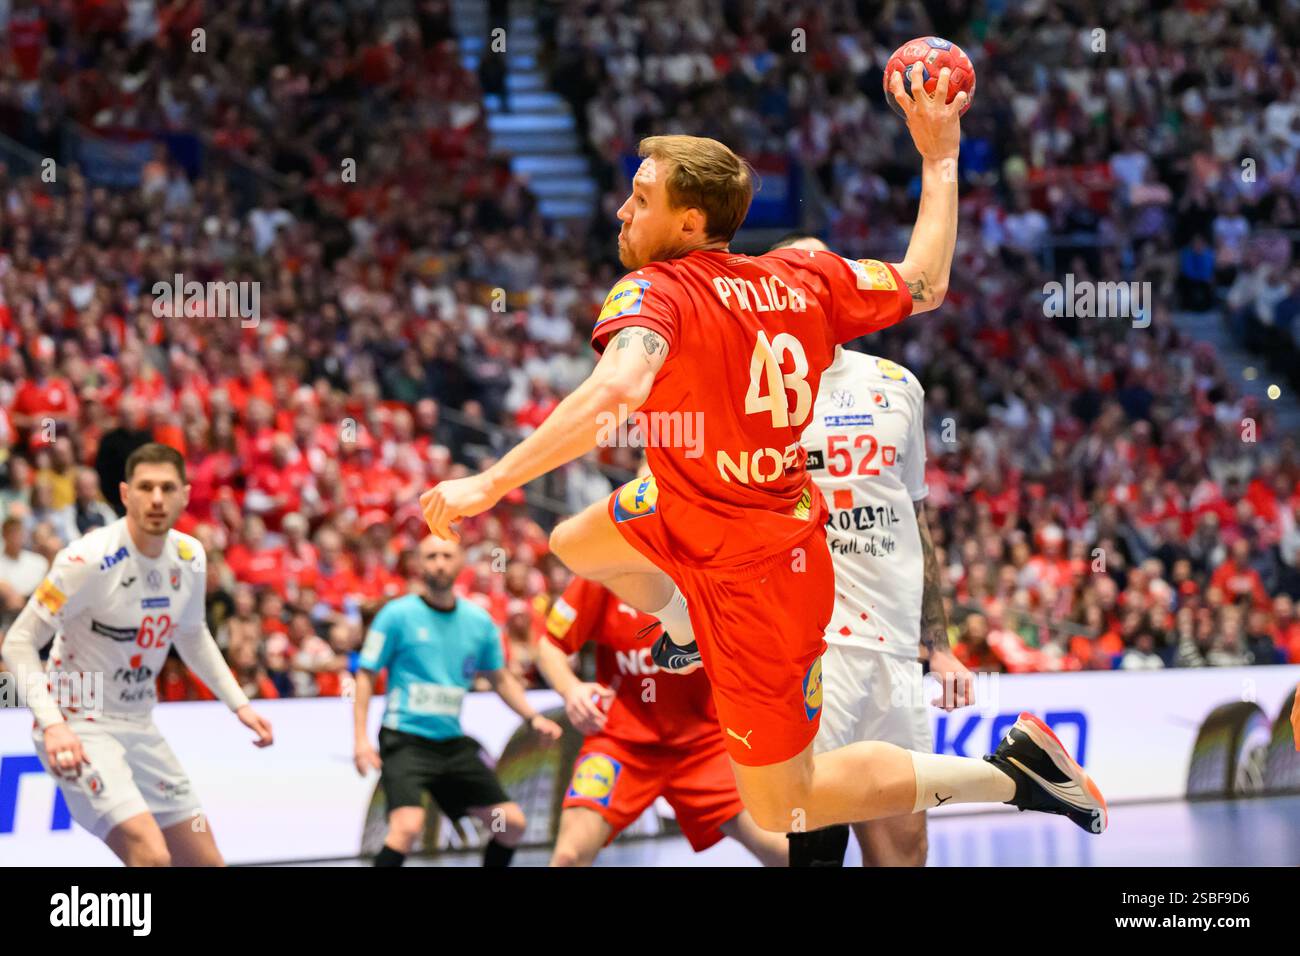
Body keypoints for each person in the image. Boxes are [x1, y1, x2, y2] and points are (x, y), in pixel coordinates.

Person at [421, 68, 1107, 837]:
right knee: (573, 540)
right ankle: (683, 625)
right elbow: (924, 281)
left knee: (787, 804)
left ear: (687, 225)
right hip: (697, 514)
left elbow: (616, 395)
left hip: (757, 583)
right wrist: (940, 158)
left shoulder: (658, 291)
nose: (621, 210)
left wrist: (491, 481)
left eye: (640, 200)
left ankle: (1011, 775)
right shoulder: (801, 277)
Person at [771, 233, 974, 866]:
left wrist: (938, 646)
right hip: (810, 648)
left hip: (891, 649)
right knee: (814, 834)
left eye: (824, 273)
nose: (812, 285)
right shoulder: (753, 391)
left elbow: (914, 518)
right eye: (795, 276)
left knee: (906, 843)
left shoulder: (898, 385)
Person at [0, 443, 274, 866]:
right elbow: (18, 643)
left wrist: (239, 704)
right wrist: (53, 725)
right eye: (146, 487)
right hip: (79, 722)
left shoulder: (190, 557)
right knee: (150, 855)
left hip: (139, 724)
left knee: (206, 862)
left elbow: (192, 634)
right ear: (126, 494)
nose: (157, 499)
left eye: (167, 488)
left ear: (185, 494)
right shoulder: (84, 560)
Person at [537, 575, 786, 866]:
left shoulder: (706, 565)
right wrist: (571, 689)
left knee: (786, 852)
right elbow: (549, 646)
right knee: (568, 856)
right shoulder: (602, 568)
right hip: (621, 745)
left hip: (705, 746)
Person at [352, 534, 563, 867]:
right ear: (419, 565)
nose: (439, 562)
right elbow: (364, 676)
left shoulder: (478, 623)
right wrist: (361, 740)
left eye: (447, 555)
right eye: (431, 556)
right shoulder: (396, 615)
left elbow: (500, 679)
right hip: (404, 741)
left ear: (460, 562)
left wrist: (532, 717)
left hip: (451, 746)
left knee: (510, 824)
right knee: (406, 828)